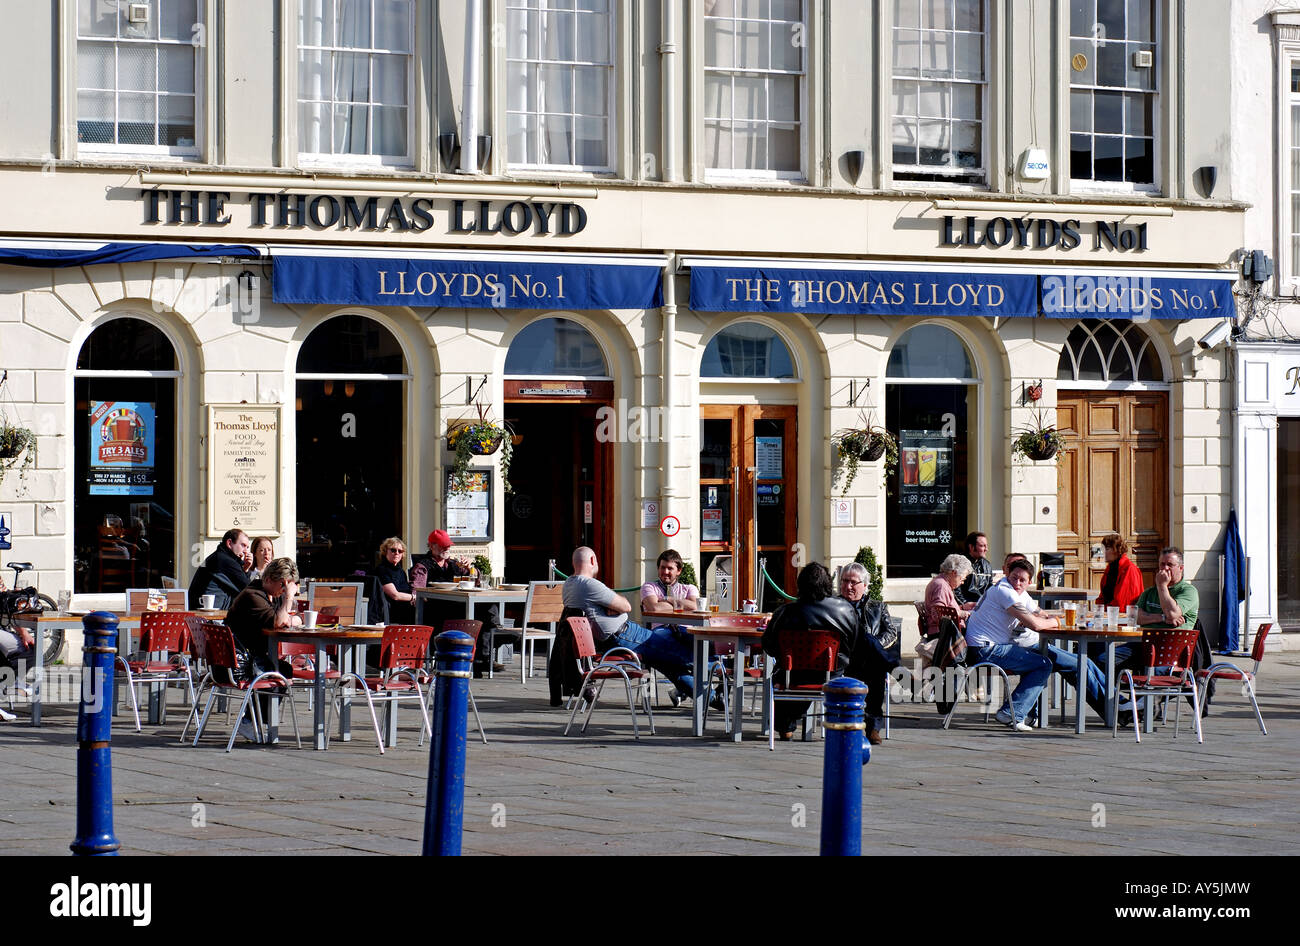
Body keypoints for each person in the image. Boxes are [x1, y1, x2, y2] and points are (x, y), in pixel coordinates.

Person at [562, 546, 697, 699]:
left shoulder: (568, 584)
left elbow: (692, 605)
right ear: (593, 560)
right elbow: (626, 606)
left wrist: (610, 606)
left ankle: (710, 697)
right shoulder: (589, 584)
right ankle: (718, 668)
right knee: (681, 653)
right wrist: (613, 605)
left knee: (666, 663)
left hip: (614, 639)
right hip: (625, 636)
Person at [760, 562, 860, 740]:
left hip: (792, 676)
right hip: (831, 675)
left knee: (782, 677)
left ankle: (785, 726)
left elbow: (769, 645)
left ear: (800, 585)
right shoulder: (845, 610)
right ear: (828, 584)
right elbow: (853, 645)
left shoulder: (784, 612)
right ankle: (787, 725)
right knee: (800, 676)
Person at [223, 556, 303, 742]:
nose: (283, 590)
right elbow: (280, 621)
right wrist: (289, 598)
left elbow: (292, 618)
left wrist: (290, 615)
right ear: (268, 579)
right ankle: (250, 721)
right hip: (238, 664)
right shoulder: (252, 595)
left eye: (287, 587)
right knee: (279, 671)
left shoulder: (267, 595)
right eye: (282, 585)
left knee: (281, 669)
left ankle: (254, 720)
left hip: (247, 658)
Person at [837, 562, 900, 745]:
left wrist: (873, 647)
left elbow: (890, 633)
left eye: (853, 582)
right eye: (844, 581)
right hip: (845, 659)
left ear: (864, 585)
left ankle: (873, 728)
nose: (848, 586)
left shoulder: (877, 607)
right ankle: (897, 670)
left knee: (875, 662)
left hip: (870, 661)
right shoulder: (834, 607)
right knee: (868, 644)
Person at [638, 549, 701, 704]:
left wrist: (667, 599)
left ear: (679, 571)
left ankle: (680, 690)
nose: (665, 572)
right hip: (659, 634)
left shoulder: (689, 588)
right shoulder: (649, 587)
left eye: (670, 568)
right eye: (662, 567)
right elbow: (654, 608)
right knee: (673, 645)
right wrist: (681, 604)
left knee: (702, 643)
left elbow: (694, 605)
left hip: (685, 631)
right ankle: (716, 672)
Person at [187, 528, 252, 610]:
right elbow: (248, 588)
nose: (246, 551)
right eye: (243, 545)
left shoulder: (219, 556)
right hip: (208, 616)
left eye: (247, 547)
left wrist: (245, 568)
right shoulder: (224, 560)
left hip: (201, 613)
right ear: (229, 543)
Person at [922, 553, 972, 639]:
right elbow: (938, 614)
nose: (962, 583)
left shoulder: (941, 582)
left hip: (947, 632)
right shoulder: (941, 586)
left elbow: (945, 608)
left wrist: (963, 607)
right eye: (962, 579)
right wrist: (961, 613)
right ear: (954, 573)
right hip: (945, 635)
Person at [372, 537, 416, 625]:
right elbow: (395, 595)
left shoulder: (401, 571)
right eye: (393, 550)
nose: (397, 553)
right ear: (385, 551)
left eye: (400, 551)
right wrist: (414, 597)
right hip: (391, 613)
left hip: (405, 610)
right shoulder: (382, 570)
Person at [1097, 533, 1144, 612]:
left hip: (1123, 618)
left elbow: (1123, 603)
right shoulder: (1110, 568)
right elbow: (1103, 596)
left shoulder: (1129, 569)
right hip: (1109, 615)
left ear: (1117, 550)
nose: (1102, 552)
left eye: (1107, 549)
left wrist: (1104, 611)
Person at [954, 531, 993, 608]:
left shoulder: (987, 565)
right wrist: (964, 604)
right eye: (982, 546)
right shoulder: (960, 563)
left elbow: (990, 588)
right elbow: (954, 588)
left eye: (986, 546)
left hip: (983, 606)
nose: (986, 549)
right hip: (965, 607)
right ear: (971, 547)